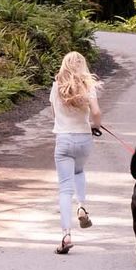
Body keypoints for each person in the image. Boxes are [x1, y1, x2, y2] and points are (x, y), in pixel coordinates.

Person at [50, 51, 102, 255]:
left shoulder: (56, 86)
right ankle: (82, 206)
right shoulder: (88, 86)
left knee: (64, 189)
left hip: (63, 139)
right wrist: (95, 125)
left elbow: (54, 114)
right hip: (83, 138)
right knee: (79, 172)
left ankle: (66, 236)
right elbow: (96, 113)